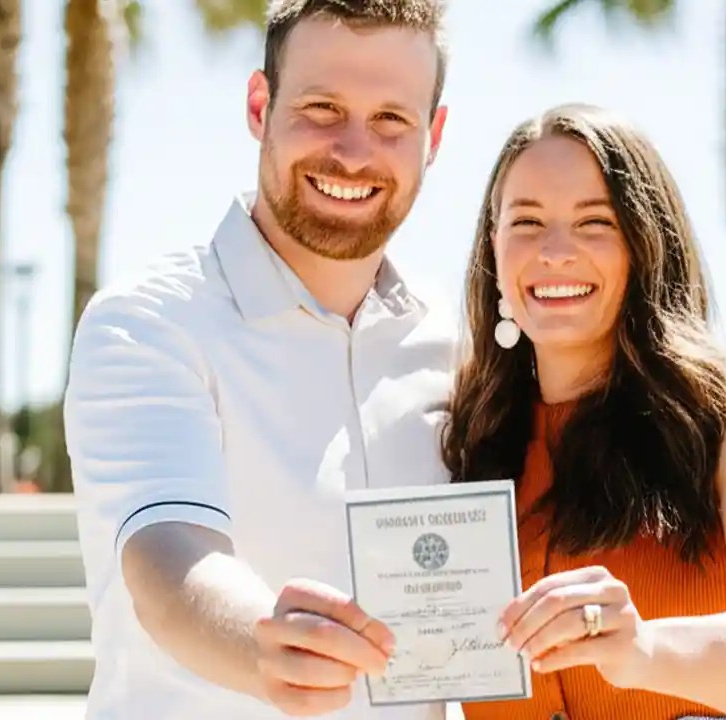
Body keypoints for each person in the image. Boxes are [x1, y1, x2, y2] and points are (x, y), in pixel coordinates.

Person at [63, 1, 456, 718]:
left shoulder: (460, 348)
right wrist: (263, 644)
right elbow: (166, 554)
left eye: (391, 120)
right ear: (259, 104)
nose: (353, 150)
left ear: (432, 136)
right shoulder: (148, 323)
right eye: (322, 107)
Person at [442, 104, 726, 720]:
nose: (555, 251)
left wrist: (642, 648)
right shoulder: (461, 440)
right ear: (492, 250)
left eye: (594, 222)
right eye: (526, 221)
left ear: (645, 247)